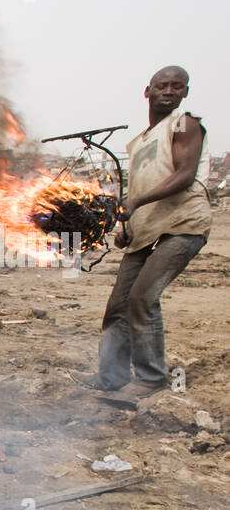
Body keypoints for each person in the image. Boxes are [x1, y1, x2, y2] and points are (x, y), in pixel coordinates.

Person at [75, 66, 212, 400]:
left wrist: (135, 201)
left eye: (176, 86)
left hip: (183, 224)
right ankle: (112, 378)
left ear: (185, 93)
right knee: (117, 307)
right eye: (161, 86)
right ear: (147, 91)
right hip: (146, 230)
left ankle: (150, 379)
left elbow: (184, 175)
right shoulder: (141, 141)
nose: (168, 91)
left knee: (142, 298)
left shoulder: (184, 123)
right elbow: (146, 184)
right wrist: (129, 227)